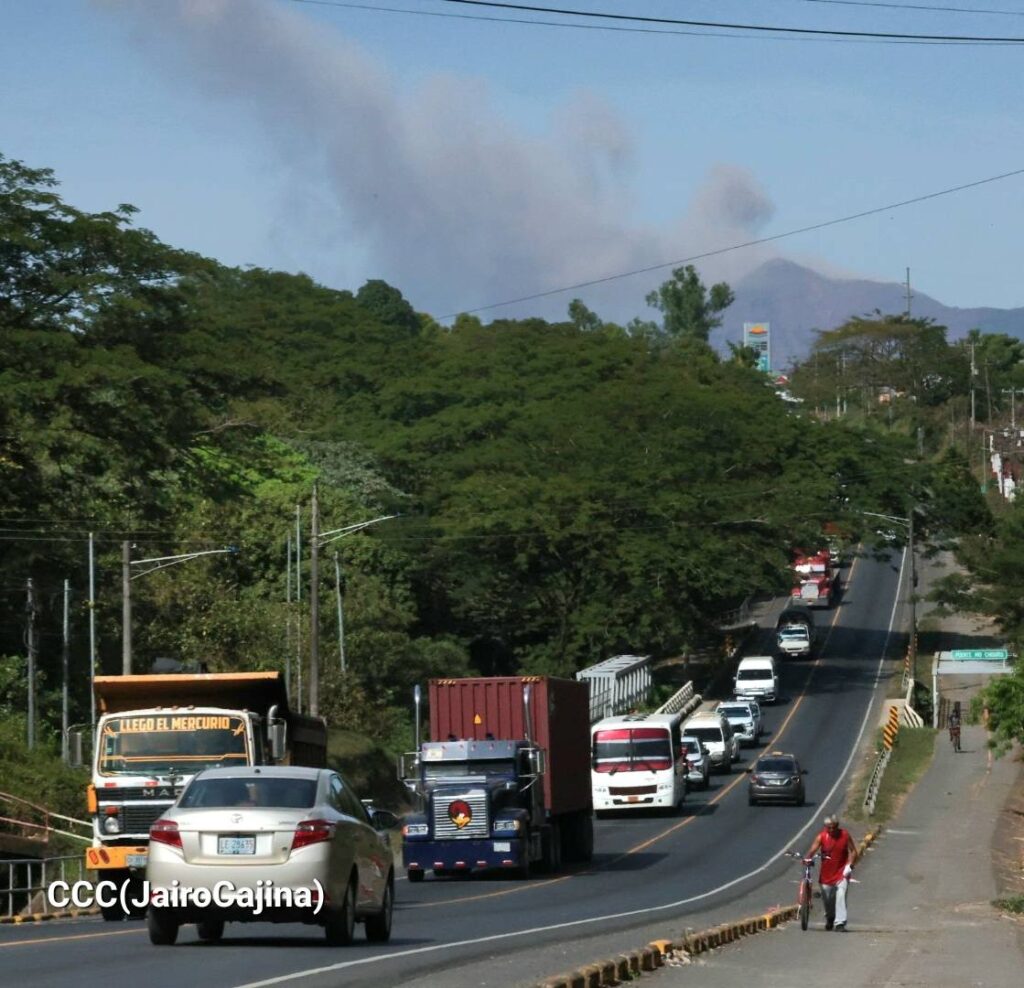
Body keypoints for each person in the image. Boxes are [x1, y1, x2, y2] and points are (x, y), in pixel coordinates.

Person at [806, 813, 859, 931]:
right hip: (826, 874)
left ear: (837, 825)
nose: (831, 830)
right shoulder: (822, 837)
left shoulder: (845, 835)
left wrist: (850, 866)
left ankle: (840, 923)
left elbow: (853, 851)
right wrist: (808, 858)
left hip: (841, 872)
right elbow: (813, 850)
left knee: (841, 895)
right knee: (827, 900)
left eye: (833, 827)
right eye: (828, 827)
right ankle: (830, 917)